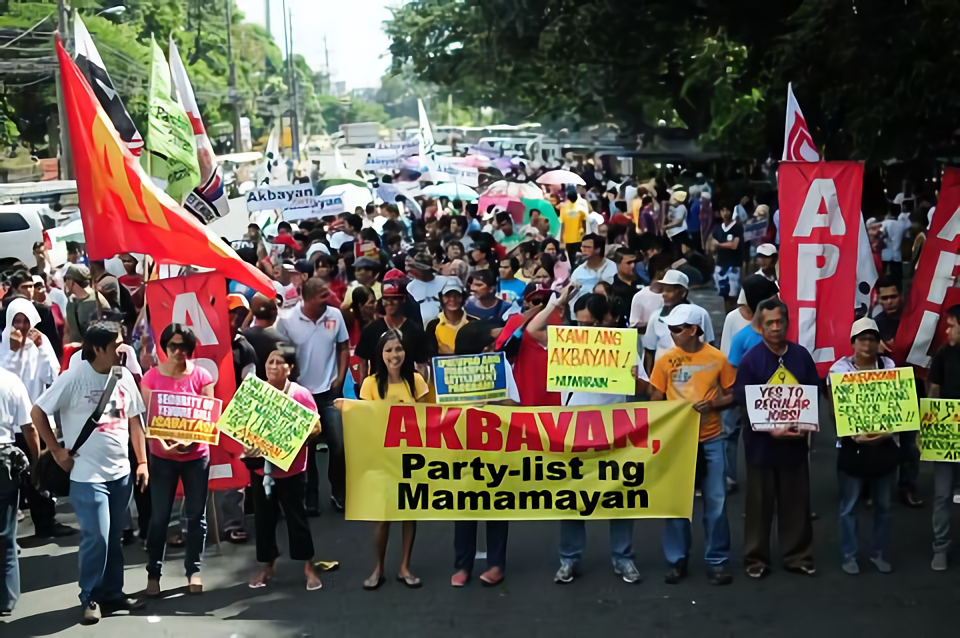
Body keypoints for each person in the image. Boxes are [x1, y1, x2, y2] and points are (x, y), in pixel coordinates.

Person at [32, 321, 149, 624]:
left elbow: (135, 421)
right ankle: (90, 595)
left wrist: (143, 462)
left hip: (121, 473)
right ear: (98, 349)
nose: (122, 351)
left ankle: (113, 593)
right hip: (87, 475)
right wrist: (56, 451)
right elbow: (37, 411)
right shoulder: (73, 377)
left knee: (113, 538)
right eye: (116, 346)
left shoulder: (123, 377)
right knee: (96, 537)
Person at [552, 288, 646, 585]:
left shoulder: (624, 347)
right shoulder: (566, 344)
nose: (585, 330)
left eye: (591, 324)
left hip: (615, 430)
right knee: (572, 497)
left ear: (607, 320)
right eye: (579, 323)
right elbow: (533, 330)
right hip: (574, 430)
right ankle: (569, 559)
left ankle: (623, 558)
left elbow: (648, 391)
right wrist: (558, 301)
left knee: (619, 495)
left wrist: (635, 379)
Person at [650, 305, 736, 586]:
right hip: (678, 441)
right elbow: (655, 399)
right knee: (677, 505)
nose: (672, 334)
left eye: (677, 329)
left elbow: (733, 394)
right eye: (670, 329)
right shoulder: (665, 361)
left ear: (694, 330)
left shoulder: (717, 358)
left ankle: (717, 561)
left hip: (711, 438)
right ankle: (677, 560)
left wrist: (712, 404)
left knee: (716, 504)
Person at [733, 299, 817, 579]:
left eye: (780, 322)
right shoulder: (751, 360)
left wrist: (805, 426)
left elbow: (811, 394)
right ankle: (756, 559)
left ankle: (798, 556)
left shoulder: (801, 356)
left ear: (788, 323)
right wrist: (770, 428)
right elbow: (742, 399)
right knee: (759, 505)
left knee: (797, 503)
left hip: (794, 444)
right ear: (759, 326)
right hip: (761, 447)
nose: (776, 327)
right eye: (770, 323)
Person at [140, 324, 214, 596]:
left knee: (196, 516)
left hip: (196, 457)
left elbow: (208, 417)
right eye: (173, 346)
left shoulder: (203, 376)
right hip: (162, 458)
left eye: (184, 346)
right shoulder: (150, 378)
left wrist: (191, 442)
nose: (178, 351)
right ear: (164, 347)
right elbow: (147, 420)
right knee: (159, 518)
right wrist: (163, 445)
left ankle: (193, 570)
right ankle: (153, 573)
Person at [247, 344, 323, 591]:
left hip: (291, 469)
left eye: (279, 362)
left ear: (290, 368)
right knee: (264, 520)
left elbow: (316, 428)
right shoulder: (256, 392)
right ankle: (267, 565)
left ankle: (308, 567)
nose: (273, 366)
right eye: (269, 361)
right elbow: (243, 425)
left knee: (296, 518)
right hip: (261, 470)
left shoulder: (300, 394)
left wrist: (291, 440)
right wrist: (248, 447)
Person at [450, 321, 520, 588]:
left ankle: (496, 564)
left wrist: (493, 399)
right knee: (464, 508)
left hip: (496, 446)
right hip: (463, 447)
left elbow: (516, 405)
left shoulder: (502, 366)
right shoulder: (450, 372)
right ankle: (463, 565)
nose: (492, 349)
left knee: (496, 506)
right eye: (486, 346)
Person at [358, 330, 429, 590]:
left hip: (411, 458)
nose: (394, 355)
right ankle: (378, 568)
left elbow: (427, 420)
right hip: (381, 458)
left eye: (398, 349)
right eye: (388, 350)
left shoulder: (417, 382)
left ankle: (404, 566)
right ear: (380, 353)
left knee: (409, 513)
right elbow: (364, 421)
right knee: (382, 516)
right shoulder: (370, 384)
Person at [827, 318, 897, 575]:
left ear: (879, 343)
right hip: (852, 445)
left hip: (885, 444)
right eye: (862, 339)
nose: (867, 344)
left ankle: (879, 553)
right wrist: (852, 434)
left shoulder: (889, 366)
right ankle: (849, 554)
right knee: (849, 506)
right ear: (853, 343)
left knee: (884, 505)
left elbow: (897, 405)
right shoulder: (839, 370)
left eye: (872, 339)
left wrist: (887, 432)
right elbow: (835, 409)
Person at [275, 278, 349, 513]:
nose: (328, 300)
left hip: (328, 392)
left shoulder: (335, 316)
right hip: (300, 395)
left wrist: (340, 376)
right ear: (306, 299)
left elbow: (344, 345)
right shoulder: (286, 320)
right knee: (307, 448)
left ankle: (339, 493)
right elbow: (278, 350)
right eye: (322, 297)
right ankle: (311, 498)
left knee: (338, 445)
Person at [0, 297, 71, 539]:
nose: (20, 326)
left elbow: (52, 375)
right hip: (11, 422)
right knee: (15, 477)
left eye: (25, 321)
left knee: (41, 472)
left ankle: (46, 522)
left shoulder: (41, 343)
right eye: (16, 320)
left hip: (37, 418)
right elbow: (5, 377)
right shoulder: (3, 342)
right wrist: (12, 350)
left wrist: (41, 347)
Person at [871, 276, 922, 508]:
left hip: (913, 388)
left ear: (901, 296)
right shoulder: (875, 324)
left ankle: (908, 486)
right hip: (884, 391)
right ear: (878, 298)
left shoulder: (915, 319)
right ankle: (873, 489)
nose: (889, 302)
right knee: (879, 442)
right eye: (885, 298)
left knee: (910, 444)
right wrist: (875, 347)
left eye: (893, 296)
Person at [927, 304, 960, 571]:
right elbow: (934, 390)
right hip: (947, 435)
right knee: (942, 494)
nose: (947, 330)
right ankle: (941, 546)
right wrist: (930, 426)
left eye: (952, 325)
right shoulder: (943, 355)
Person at [0, 368, 33, 616]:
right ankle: (7, 598)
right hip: (4, 457)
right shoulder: (10, 380)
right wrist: (38, 458)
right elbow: (28, 427)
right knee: (6, 533)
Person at [356, 277, 429, 382]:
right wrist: (363, 387)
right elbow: (363, 363)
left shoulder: (415, 331)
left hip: (407, 387)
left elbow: (422, 365)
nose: (389, 302)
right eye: (386, 298)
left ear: (403, 300)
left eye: (394, 298)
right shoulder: (370, 330)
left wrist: (421, 391)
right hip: (377, 388)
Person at [642, 270, 715, 372]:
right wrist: (650, 379)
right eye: (663, 290)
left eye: (669, 290)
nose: (664, 294)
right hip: (663, 376)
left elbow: (709, 345)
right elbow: (649, 350)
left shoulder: (700, 314)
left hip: (694, 374)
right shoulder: (655, 317)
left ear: (682, 292)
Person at [425, 278, 475, 357]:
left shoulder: (474, 323)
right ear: (441, 297)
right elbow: (431, 355)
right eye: (448, 295)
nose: (452, 299)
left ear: (463, 297)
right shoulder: (433, 325)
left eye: (456, 295)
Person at [63, 265, 111, 344]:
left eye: (66, 279)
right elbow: (68, 331)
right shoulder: (72, 301)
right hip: (75, 352)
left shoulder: (95, 301)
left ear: (71, 281)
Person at [711, 200, 744, 314]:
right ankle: (727, 317)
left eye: (727, 210)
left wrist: (719, 244)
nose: (725, 213)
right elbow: (712, 245)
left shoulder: (737, 227)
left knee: (734, 295)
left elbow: (734, 245)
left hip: (733, 265)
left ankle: (734, 316)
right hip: (721, 265)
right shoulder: (717, 228)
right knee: (724, 294)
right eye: (723, 210)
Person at [243, 293, 284, 381]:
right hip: (271, 392)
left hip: (245, 390)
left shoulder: (242, 338)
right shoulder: (282, 342)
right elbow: (292, 375)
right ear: (275, 313)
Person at [568, 234, 617, 304]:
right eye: (582, 246)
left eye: (588, 247)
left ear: (598, 249)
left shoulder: (613, 267)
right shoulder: (578, 272)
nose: (583, 250)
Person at [406, 251, 449, 327]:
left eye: (423, 270)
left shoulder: (444, 281)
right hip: (422, 326)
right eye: (418, 269)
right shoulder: (410, 287)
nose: (421, 272)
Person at [629, 254, 669, 331]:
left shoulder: (673, 296)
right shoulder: (640, 296)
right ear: (659, 272)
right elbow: (634, 326)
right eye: (668, 270)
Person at [609, 248, 642, 325]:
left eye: (635, 262)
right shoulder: (612, 289)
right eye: (629, 263)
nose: (633, 265)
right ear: (617, 264)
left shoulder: (644, 283)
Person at [559, 187, 588, 262]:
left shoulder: (564, 208)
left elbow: (563, 224)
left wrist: (561, 239)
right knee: (580, 259)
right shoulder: (581, 207)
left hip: (568, 239)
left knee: (572, 259)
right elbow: (584, 223)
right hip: (579, 238)